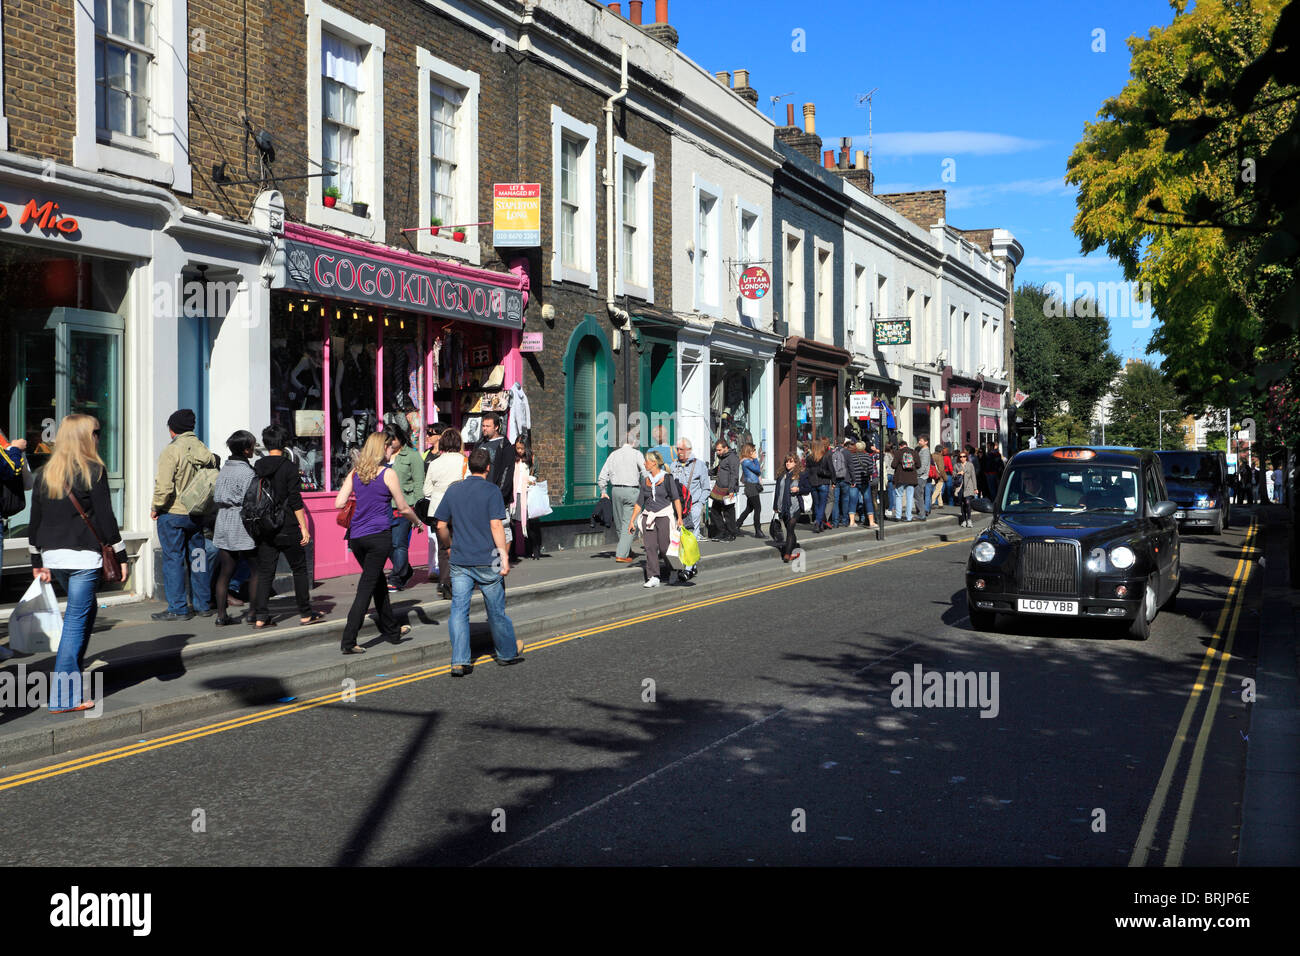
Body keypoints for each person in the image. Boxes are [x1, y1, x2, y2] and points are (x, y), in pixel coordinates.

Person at [28, 414, 126, 713]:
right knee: (74, 622)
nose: (99, 436)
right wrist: (121, 556)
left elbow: (35, 521)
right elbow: (106, 519)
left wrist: (36, 559)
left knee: (85, 611)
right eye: (97, 431)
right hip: (83, 556)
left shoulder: (47, 473)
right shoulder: (93, 470)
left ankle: (72, 680)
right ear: (85, 436)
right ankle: (63, 697)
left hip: (54, 557)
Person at [434, 446, 524, 676]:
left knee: (459, 610)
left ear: (467, 466)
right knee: (496, 610)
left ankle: (459, 660)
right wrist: (504, 556)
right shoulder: (492, 491)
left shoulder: (454, 491)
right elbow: (496, 526)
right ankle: (506, 653)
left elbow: (441, 525)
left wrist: (449, 546)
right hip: (487, 559)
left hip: (461, 559)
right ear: (487, 468)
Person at [334, 432, 418, 653]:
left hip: (357, 538)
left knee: (377, 582)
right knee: (365, 589)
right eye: (390, 447)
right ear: (382, 449)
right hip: (378, 537)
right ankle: (348, 641)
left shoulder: (355, 473)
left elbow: (338, 502)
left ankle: (392, 631)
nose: (392, 451)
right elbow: (403, 507)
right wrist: (417, 521)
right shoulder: (387, 474)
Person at [250, 423, 322, 629]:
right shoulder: (289, 467)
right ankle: (306, 613)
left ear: (266, 443)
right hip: (288, 524)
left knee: (265, 572)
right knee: (299, 569)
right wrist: (304, 527)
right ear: (284, 444)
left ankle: (261, 616)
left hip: (265, 525)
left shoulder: (259, 466)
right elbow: (295, 500)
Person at [151, 409, 218, 621]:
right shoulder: (203, 449)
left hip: (173, 513)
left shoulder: (171, 451)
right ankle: (203, 604)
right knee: (198, 558)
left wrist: (156, 506)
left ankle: (178, 608)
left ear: (172, 429)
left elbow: (164, 486)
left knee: (174, 560)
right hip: (197, 513)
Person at [212, 430, 260, 626]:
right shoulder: (247, 472)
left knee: (225, 571)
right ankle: (253, 613)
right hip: (242, 520)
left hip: (223, 519)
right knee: (256, 569)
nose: (254, 450)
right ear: (246, 449)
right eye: (252, 446)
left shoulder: (224, 469)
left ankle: (221, 615)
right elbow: (252, 500)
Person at [422, 428, 467, 600]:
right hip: (459, 510)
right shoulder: (464, 462)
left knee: (443, 547)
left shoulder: (434, 463)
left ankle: (445, 582)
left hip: (438, 511)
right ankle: (461, 581)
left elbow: (426, 490)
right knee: (459, 544)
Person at [627, 450, 684, 587]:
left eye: (646, 461)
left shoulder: (667, 478)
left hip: (664, 515)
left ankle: (674, 570)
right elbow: (639, 502)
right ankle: (654, 577)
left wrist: (679, 518)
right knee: (650, 547)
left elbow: (676, 499)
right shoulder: (645, 481)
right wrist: (632, 520)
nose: (644, 464)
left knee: (665, 548)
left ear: (653, 463)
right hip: (649, 516)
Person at [384, 424, 424, 592]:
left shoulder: (413, 456)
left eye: (394, 438)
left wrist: (417, 510)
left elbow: (418, 483)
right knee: (386, 545)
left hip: (404, 506)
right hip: (383, 506)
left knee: (398, 544)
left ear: (400, 437)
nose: (391, 443)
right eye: (388, 439)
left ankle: (396, 577)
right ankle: (405, 570)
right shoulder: (383, 456)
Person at [598, 428, 647, 563]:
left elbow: (602, 476)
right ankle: (621, 554)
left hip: (616, 491)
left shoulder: (613, 455)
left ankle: (626, 549)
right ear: (633, 442)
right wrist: (648, 488)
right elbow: (645, 472)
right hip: (632, 491)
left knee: (620, 524)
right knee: (631, 522)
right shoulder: (637, 454)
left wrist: (603, 491)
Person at [671, 438, 711, 536]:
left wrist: (699, 505)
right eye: (678, 449)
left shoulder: (700, 465)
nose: (678, 451)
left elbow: (706, 488)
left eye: (681, 449)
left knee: (691, 539)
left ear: (688, 450)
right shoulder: (673, 466)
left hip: (693, 507)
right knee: (678, 538)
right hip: (678, 508)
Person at [511, 436, 542, 560]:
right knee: (514, 523)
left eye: (522, 448)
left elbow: (536, 474)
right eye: (517, 448)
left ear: (526, 448)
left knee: (529, 524)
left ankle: (535, 549)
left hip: (528, 494)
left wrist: (532, 480)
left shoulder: (532, 459)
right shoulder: (513, 459)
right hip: (515, 494)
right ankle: (514, 551)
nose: (519, 451)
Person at [480, 411, 516, 510]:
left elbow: (507, 472)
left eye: (488, 426)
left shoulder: (504, 446)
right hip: (479, 494)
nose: (484, 428)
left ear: (496, 427)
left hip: (495, 496)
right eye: (483, 426)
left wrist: (499, 494)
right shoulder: (480, 443)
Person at [773, 452, 804, 561]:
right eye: (787, 461)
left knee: (790, 529)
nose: (788, 463)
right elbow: (777, 491)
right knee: (790, 530)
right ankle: (795, 547)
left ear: (796, 463)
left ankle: (787, 554)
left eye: (791, 461)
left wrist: (799, 489)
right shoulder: (782, 475)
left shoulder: (800, 474)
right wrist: (775, 505)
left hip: (794, 506)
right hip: (783, 507)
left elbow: (808, 488)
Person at [710, 439, 741, 541]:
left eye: (719, 450)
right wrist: (706, 472)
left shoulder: (733, 458)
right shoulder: (723, 457)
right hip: (719, 488)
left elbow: (734, 475)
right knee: (714, 511)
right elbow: (717, 469)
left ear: (726, 448)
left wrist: (731, 490)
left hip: (728, 490)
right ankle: (722, 531)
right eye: (716, 450)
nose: (717, 452)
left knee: (729, 512)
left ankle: (731, 533)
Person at [735, 443, 764, 538]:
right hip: (751, 487)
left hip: (752, 486)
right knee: (758, 508)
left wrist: (755, 459)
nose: (755, 452)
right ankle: (758, 531)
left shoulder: (748, 461)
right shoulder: (746, 461)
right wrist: (755, 458)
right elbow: (757, 470)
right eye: (753, 450)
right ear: (748, 451)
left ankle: (737, 525)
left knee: (749, 508)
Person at [805, 438, 832, 532]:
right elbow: (831, 470)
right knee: (822, 504)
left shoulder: (809, 457)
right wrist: (834, 480)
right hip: (823, 482)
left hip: (813, 482)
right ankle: (818, 522)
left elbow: (807, 471)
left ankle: (819, 524)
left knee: (816, 504)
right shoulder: (826, 456)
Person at [892, 438, 920, 521]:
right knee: (910, 497)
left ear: (900, 446)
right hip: (911, 478)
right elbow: (919, 464)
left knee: (899, 496)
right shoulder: (914, 452)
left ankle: (898, 516)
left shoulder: (898, 452)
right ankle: (909, 517)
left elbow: (893, 465)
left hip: (900, 478)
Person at [955, 449, 979, 528]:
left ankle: (969, 520)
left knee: (968, 502)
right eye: (961, 457)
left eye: (964, 456)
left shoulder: (970, 465)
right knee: (962, 504)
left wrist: (975, 488)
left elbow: (973, 476)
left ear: (966, 457)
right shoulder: (957, 465)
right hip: (960, 487)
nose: (962, 458)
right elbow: (953, 475)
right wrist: (958, 473)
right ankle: (964, 520)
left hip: (969, 487)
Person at [915, 437, 933, 520]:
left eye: (921, 440)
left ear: (926, 442)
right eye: (919, 440)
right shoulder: (922, 450)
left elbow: (923, 466)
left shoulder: (925, 451)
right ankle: (921, 513)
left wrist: (917, 473)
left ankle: (922, 514)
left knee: (918, 495)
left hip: (921, 476)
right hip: (921, 476)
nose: (919, 441)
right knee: (919, 495)